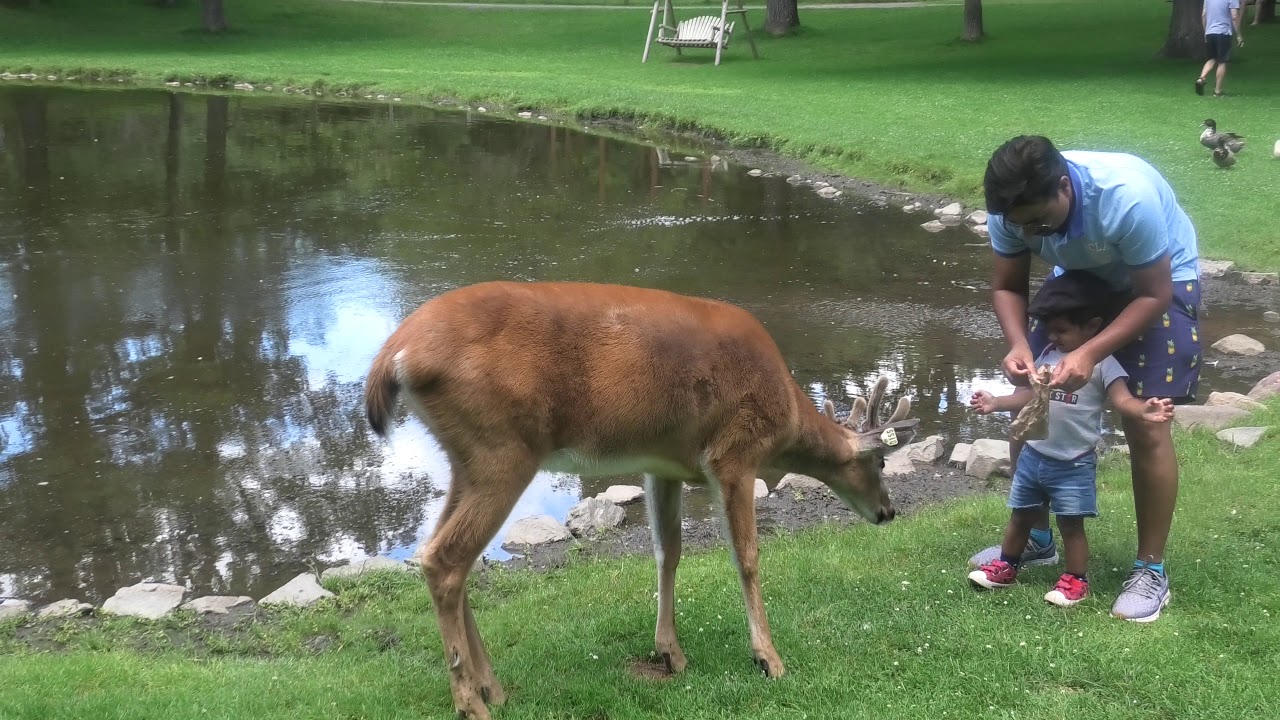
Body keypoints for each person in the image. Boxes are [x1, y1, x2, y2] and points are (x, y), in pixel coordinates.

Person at [970, 135, 1201, 623]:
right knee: (1031, 397)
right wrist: (1018, 344)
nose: (1030, 233)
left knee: (1145, 423)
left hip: (1157, 280)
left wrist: (1090, 353)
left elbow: (1153, 293)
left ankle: (1150, 570)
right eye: (1021, 226)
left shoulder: (1125, 199)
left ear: (1064, 187)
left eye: (1039, 223)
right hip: (1082, 274)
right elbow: (1008, 285)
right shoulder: (1010, 212)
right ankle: (1037, 538)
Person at [967, 271, 1175, 607]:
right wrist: (996, 402)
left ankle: (1075, 581)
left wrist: (1143, 410)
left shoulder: (1104, 366)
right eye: (1049, 329)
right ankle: (1007, 565)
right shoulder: (1048, 357)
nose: (1052, 337)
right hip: (1034, 456)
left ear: (1092, 326)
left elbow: (1122, 401)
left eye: (1061, 330)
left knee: (1071, 524)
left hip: (1073, 464)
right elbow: (1031, 396)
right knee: (1021, 514)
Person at [1196, 0, 1244, 97]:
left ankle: (1201, 78)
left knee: (1211, 59)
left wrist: (1206, 32)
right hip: (1223, 32)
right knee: (1222, 62)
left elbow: (1203, 14)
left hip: (1210, 32)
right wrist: (1239, 35)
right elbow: (1234, 16)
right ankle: (1217, 91)